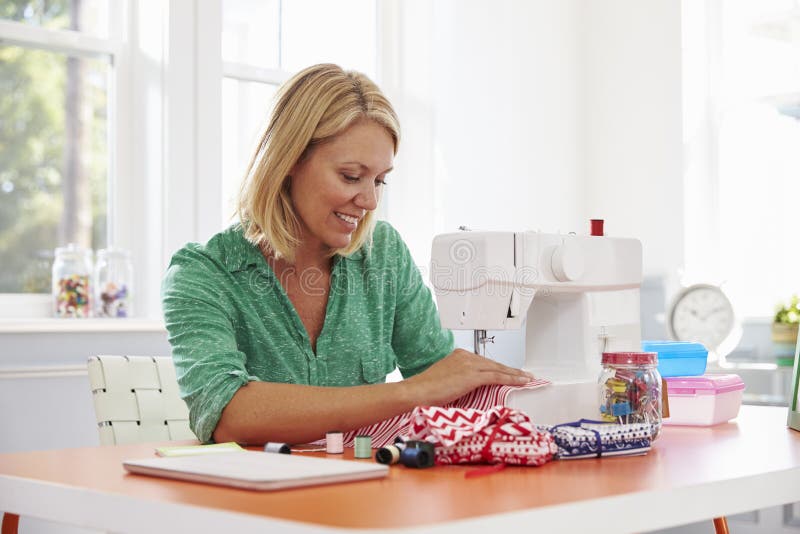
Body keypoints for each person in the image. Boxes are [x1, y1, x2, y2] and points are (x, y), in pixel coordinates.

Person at [162, 63, 533, 445]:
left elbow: (445, 382)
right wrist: (411, 393)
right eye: (351, 176)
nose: (370, 200)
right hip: (245, 501)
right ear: (287, 161)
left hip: (361, 492)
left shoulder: (384, 254)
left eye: (380, 180)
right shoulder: (203, 274)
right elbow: (229, 414)